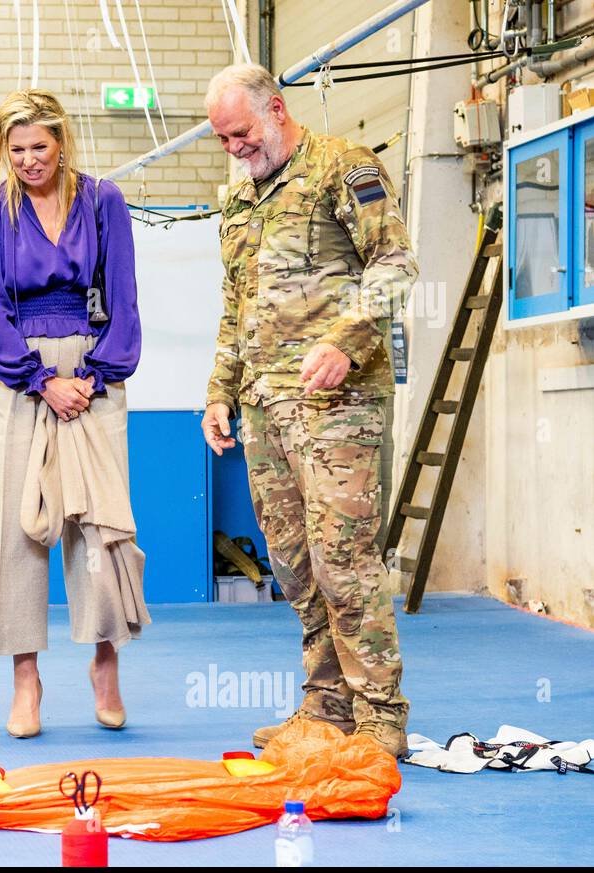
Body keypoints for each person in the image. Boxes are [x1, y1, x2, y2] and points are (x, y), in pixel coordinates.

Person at [200, 63, 416, 757]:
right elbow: (236, 306)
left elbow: (395, 265)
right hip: (265, 406)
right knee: (293, 565)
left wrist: (346, 342)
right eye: (222, 139)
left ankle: (380, 718)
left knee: (343, 560)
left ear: (276, 109)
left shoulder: (340, 168)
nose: (234, 148)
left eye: (241, 133)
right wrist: (219, 392)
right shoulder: (239, 201)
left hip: (337, 405)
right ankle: (326, 710)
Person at [0, 89, 149, 738]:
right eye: (15, 150)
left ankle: (105, 663)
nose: (28, 160)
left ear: (61, 142)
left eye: (39, 147)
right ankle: (25, 680)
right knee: (17, 527)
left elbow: (123, 298)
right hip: (17, 377)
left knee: (99, 526)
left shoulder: (104, 202)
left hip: (95, 369)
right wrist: (40, 380)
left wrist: (94, 377)